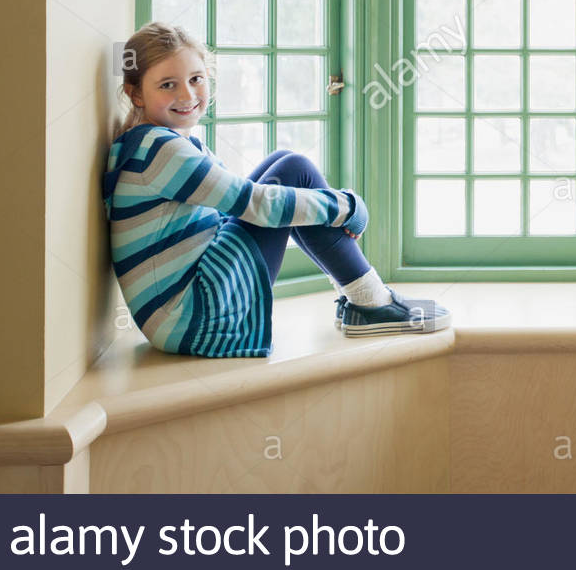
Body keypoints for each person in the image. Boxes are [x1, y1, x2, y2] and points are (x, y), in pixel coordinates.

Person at [102, 21, 450, 357]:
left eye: (196, 79)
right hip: (194, 317)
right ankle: (372, 302)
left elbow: (232, 204)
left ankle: (366, 300)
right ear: (135, 94)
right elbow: (255, 205)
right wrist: (346, 207)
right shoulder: (162, 151)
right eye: (167, 85)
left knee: (284, 163)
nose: (188, 95)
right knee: (293, 170)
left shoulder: (146, 143)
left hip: (175, 317)